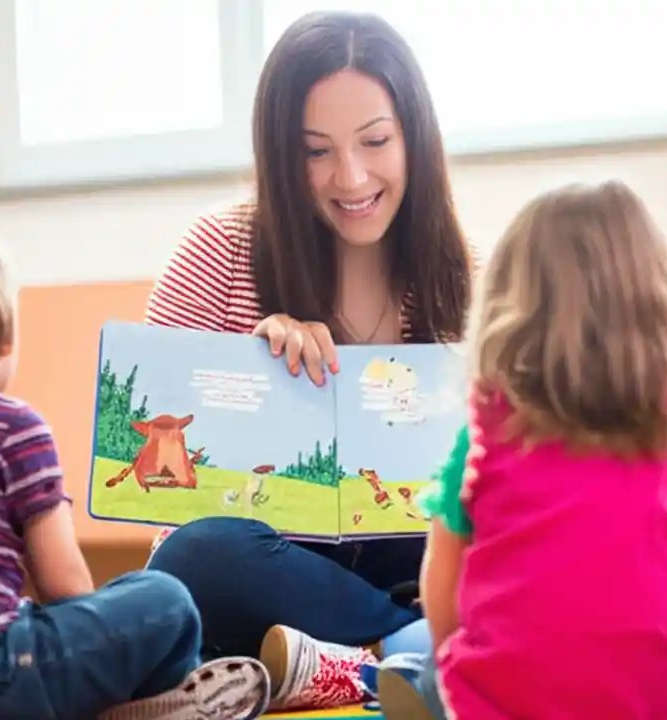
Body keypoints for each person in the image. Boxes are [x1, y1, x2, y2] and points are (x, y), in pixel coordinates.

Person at [378, 180, 667, 719]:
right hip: (649, 700)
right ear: (655, 298)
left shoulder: (487, 430)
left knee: (428, 657)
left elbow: (441, 572)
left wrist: (454, 668)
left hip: (500, 699)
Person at [142, 10, 475, 711]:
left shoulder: (465, 274)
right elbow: (161, 498)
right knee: (193, 563)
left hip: (415, 558)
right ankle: (417, 648)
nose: (350, 178)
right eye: (315, 151)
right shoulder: (219, 251)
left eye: (376, 141)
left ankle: (350, 659)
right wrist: (250, 376)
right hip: (277, 564)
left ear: (416, 135)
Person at [0, 220, 269, 720]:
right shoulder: (10, 426)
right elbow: (64, 585)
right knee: (166, 601)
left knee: (26, 623)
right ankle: (160, 704)